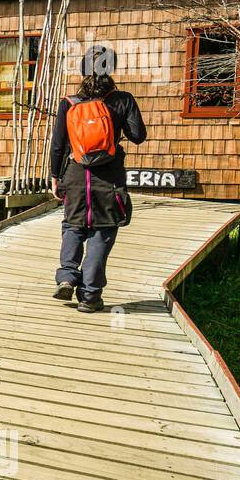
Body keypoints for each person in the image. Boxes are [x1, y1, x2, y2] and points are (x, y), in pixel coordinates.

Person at [49, 47, 146, 313]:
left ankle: (67, 277)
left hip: (76, 175)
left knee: (73, 226)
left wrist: (55, 177)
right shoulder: (123, 99)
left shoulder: (68, 103)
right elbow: (138, 135)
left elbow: (58, 146)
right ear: (111, 69)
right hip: (110, 177)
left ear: (82, 70)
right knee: (101, 232)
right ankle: (90, 297)